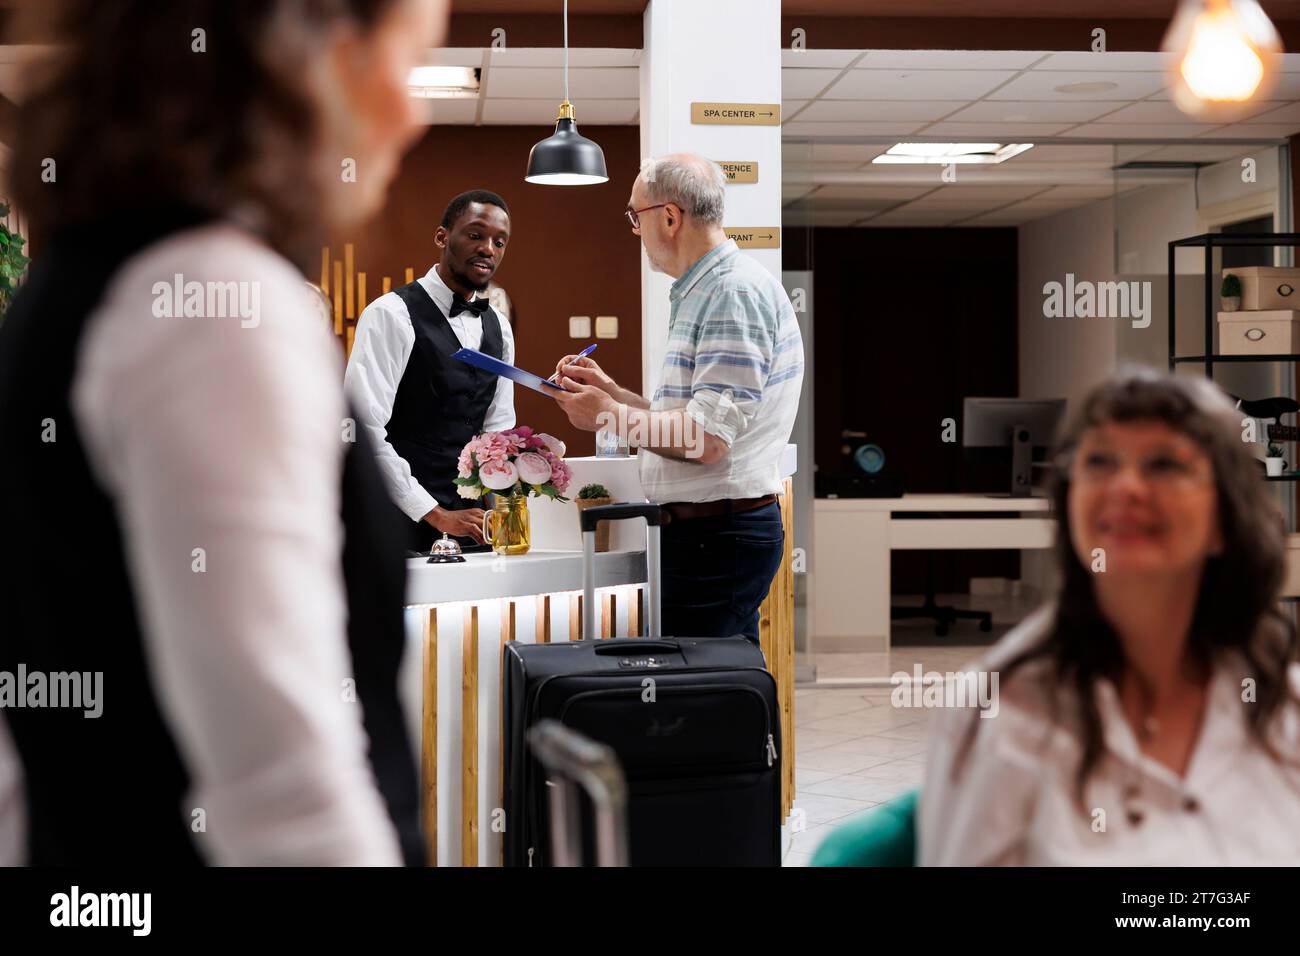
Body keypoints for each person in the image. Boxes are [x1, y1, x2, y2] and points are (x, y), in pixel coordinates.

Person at [0, 0, 449, 865]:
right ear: (325, 56)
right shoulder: (214, 309)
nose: (415, 110)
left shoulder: (78, 287)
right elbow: (283, 790)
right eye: (414, 58)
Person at [920, 370, 1300, 865]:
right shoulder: (1005, 710)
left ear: (1225, 521)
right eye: (1098, 461)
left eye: (1164, 464)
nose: (1125, 487)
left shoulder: (1280, 700)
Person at [551, 153, 804, 644]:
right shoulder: (704, 291)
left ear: (669, 217)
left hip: (717, 536)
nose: (634, 230)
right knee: (709, 690)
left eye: (635, 216)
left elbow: (707, 441)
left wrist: (610, 416)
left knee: (702, 700)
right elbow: (688, 422)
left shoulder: (731, 294)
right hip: (707, 533)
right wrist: (614, 394)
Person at [344, 190, 515, 551]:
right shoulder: (390, 314)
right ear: (442, 237)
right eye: (475, 235)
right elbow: (362, 429)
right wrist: (433, 512)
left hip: (475, 526)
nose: (488, 248)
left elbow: (498, 428)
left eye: (499, 242)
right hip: (398, 524)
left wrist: (505, 511)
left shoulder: (499, 326)